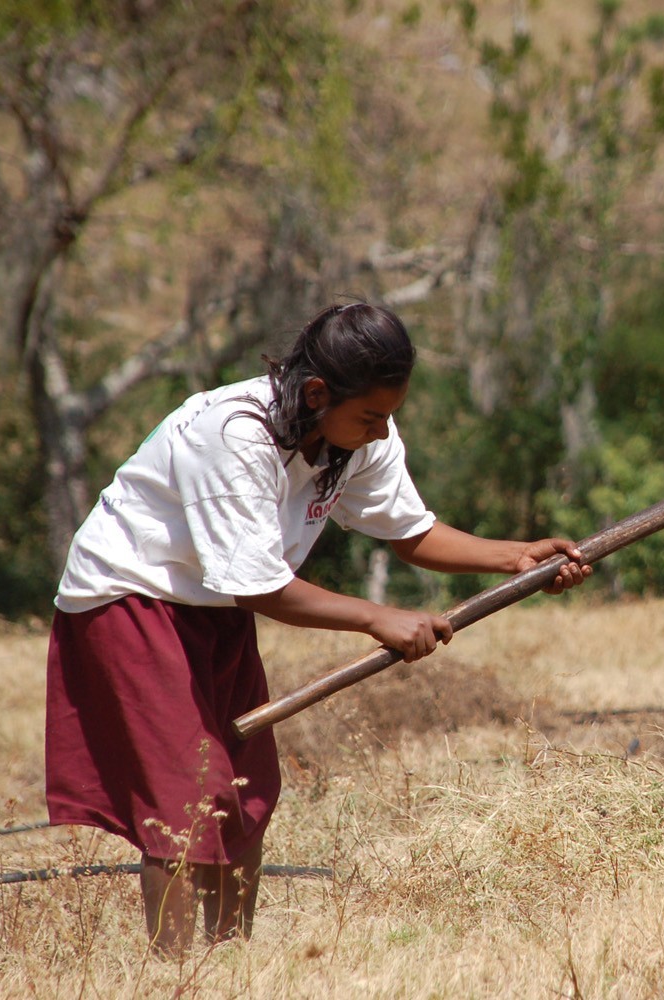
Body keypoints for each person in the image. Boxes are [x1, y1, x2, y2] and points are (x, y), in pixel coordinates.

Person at [45, 302, 591, 956]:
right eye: (371, 417)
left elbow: (412, 533)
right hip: (130, 598)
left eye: (390, 415)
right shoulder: (232, 433)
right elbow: (258, 585)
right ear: (315, 394)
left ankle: (231, 963)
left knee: (245, 793)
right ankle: (175, 978)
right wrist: (378, 618)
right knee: (183, 799)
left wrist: (517, 555)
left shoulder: (354, 437)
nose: (384, 433)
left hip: (212, 609)